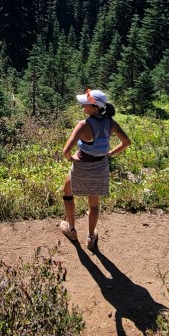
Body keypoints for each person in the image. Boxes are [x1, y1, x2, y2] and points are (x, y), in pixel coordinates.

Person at [60, 88, 131, 250]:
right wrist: (110, 153)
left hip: (82, 165)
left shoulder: (83, 125)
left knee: (67, 191)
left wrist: (71, 159)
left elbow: (66, 151)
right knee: (93, 204)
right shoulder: (111, 123)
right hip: (100, 166)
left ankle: (71, 229)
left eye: (85, 103)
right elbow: (126, 142)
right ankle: (91, 237)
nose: (82, 106)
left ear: (95, 108)